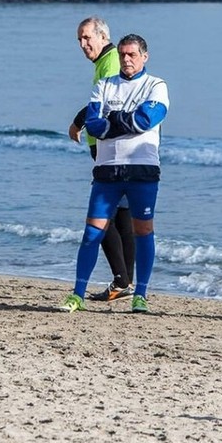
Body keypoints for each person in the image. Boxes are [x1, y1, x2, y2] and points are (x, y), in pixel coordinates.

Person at [60, 34, 169, 314]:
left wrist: (113, 121)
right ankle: (77, 295)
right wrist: (122, 121)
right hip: (107, 171)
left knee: (143, 231)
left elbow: (147, 119)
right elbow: (94, 125)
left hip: (142, 169)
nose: (126, 59)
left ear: (144, 56)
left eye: (132, 54)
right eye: (122, 54)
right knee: (91, 232)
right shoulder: (104, 85)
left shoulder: (156, 85)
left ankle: (140, 295)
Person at [67, 17, 136, 301]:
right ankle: (125, 282)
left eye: (87, 38)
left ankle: (121, 279)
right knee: (122, 215)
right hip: (112, 147)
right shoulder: (103, 62)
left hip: (110, 148)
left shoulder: (110, 61)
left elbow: (105, 102)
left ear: (103, 35)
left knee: (103, 216)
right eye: (79, 41)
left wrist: (77, 122)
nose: (83, 45)